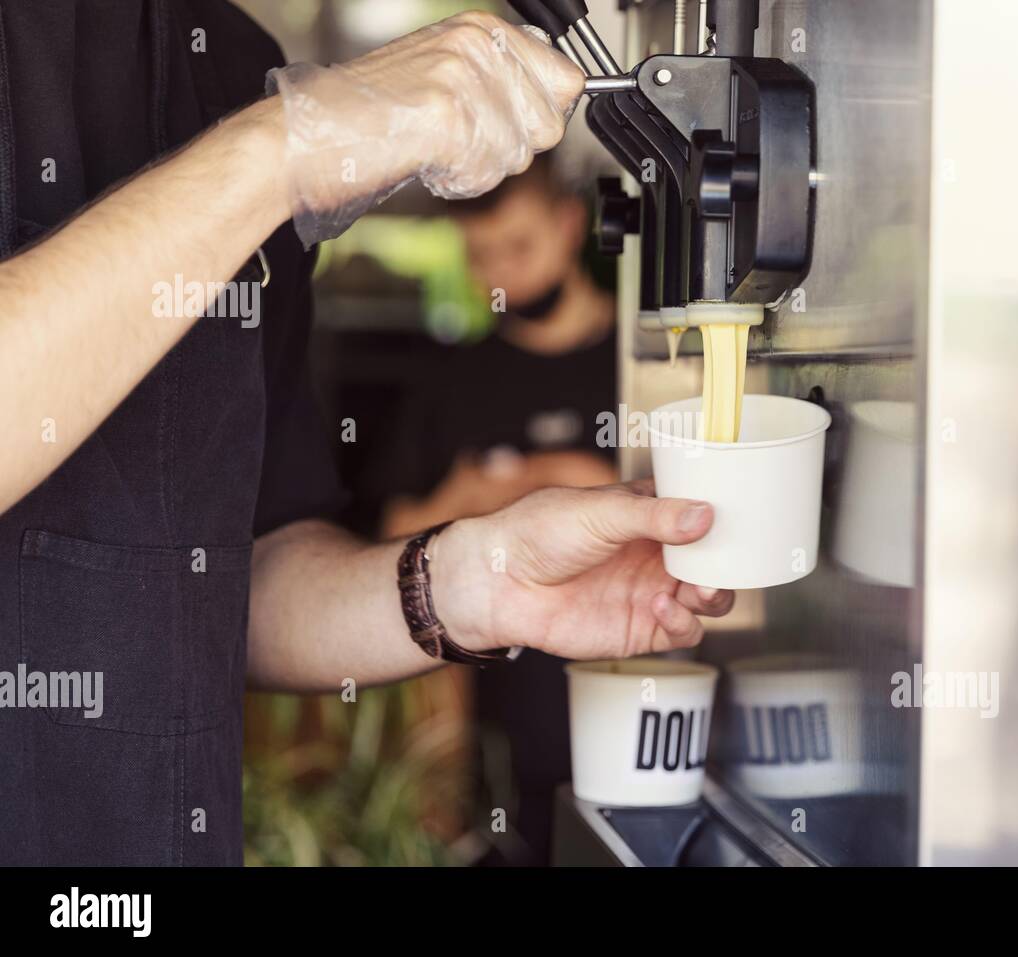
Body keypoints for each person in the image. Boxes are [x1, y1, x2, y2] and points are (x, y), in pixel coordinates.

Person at [0, 3, 733, 866]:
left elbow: (246, 574)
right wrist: (280, 148)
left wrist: (477, 581)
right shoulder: (273, 113)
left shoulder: (232, 60)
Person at [368, 155, 619, 865]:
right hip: (490, 723)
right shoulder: (449, 381)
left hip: (625, 705)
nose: (502, 276)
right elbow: (389, 549)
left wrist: (538, 480)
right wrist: (486, 492)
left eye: (519, 247)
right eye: (481, 256)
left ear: (570, 225)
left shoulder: (642, 363)